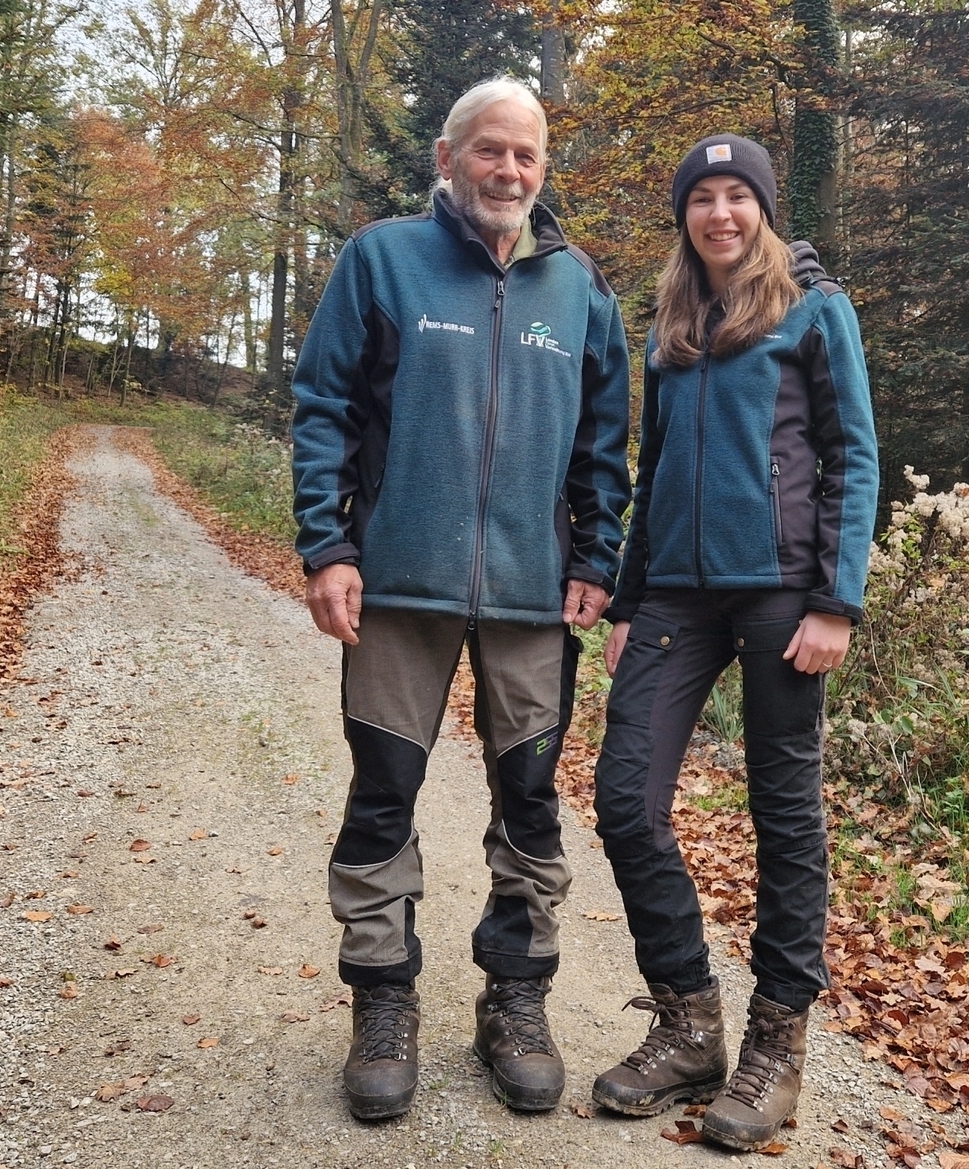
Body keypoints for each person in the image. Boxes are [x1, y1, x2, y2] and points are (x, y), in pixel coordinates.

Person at [290, 77, 631, 1121]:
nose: (510, 172)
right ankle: (382, 996)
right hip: (397, 584)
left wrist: (598, 556)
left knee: (528, 802)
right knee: (383, 791)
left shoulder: (580, 288)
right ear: (449, 158)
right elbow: (322, 406)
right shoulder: (382, 259)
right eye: (491, 151)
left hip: (536, 596)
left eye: (527, 156)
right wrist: (328, 543)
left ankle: (515, 999)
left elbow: (604, 443)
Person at [587, 134, 879, 1150]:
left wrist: (836, 599)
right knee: (626, 798)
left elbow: (852, 454)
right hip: (673, 594)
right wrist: (627, 602)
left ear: (761, 209)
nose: (719, 213)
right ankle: (687, 1023)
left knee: (783, 813)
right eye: (701, 197)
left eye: (736, 196)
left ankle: (775, 1049)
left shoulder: (814, 309)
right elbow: (652, 466)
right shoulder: (671, 324)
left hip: (782, 597)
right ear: (687, 217)